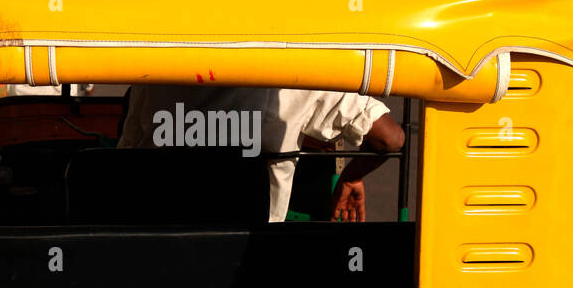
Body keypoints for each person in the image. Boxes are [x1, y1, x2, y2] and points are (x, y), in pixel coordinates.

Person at [118, 84, 405, 222]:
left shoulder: (154, 76)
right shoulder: (297, 77)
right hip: (252, 250)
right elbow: (389, 139)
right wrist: (352, 177)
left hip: (154, 236)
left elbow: (128, 155)